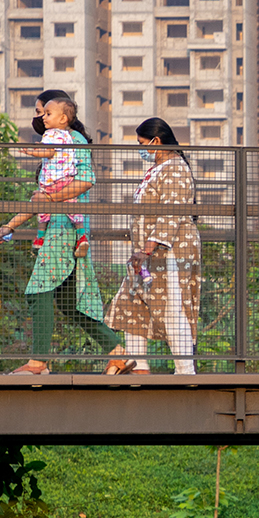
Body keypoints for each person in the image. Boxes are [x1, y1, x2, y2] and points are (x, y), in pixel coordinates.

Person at [0, 91, 127, 375]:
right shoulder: (50, 143)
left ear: (61, 116)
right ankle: (117, 352)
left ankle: (38, 363)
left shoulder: (71, 141)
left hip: (66, 229)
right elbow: (41, 196)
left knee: (38, 290)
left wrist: (50, 202)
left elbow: (86, 181)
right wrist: (11, 225)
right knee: (68, 302)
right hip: (56, 226)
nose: (39, 117)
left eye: (43, 111)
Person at [106, 117, 201, 375]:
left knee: (172, 307)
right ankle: (138, 366)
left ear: (156, 142)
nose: (141, 149)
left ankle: (185, 371)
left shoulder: (176, 168)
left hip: (170, 251)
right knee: (131, 302)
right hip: (146, 254)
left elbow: (172, 212)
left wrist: (147, 248)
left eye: (142, 143)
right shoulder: (158, 169)